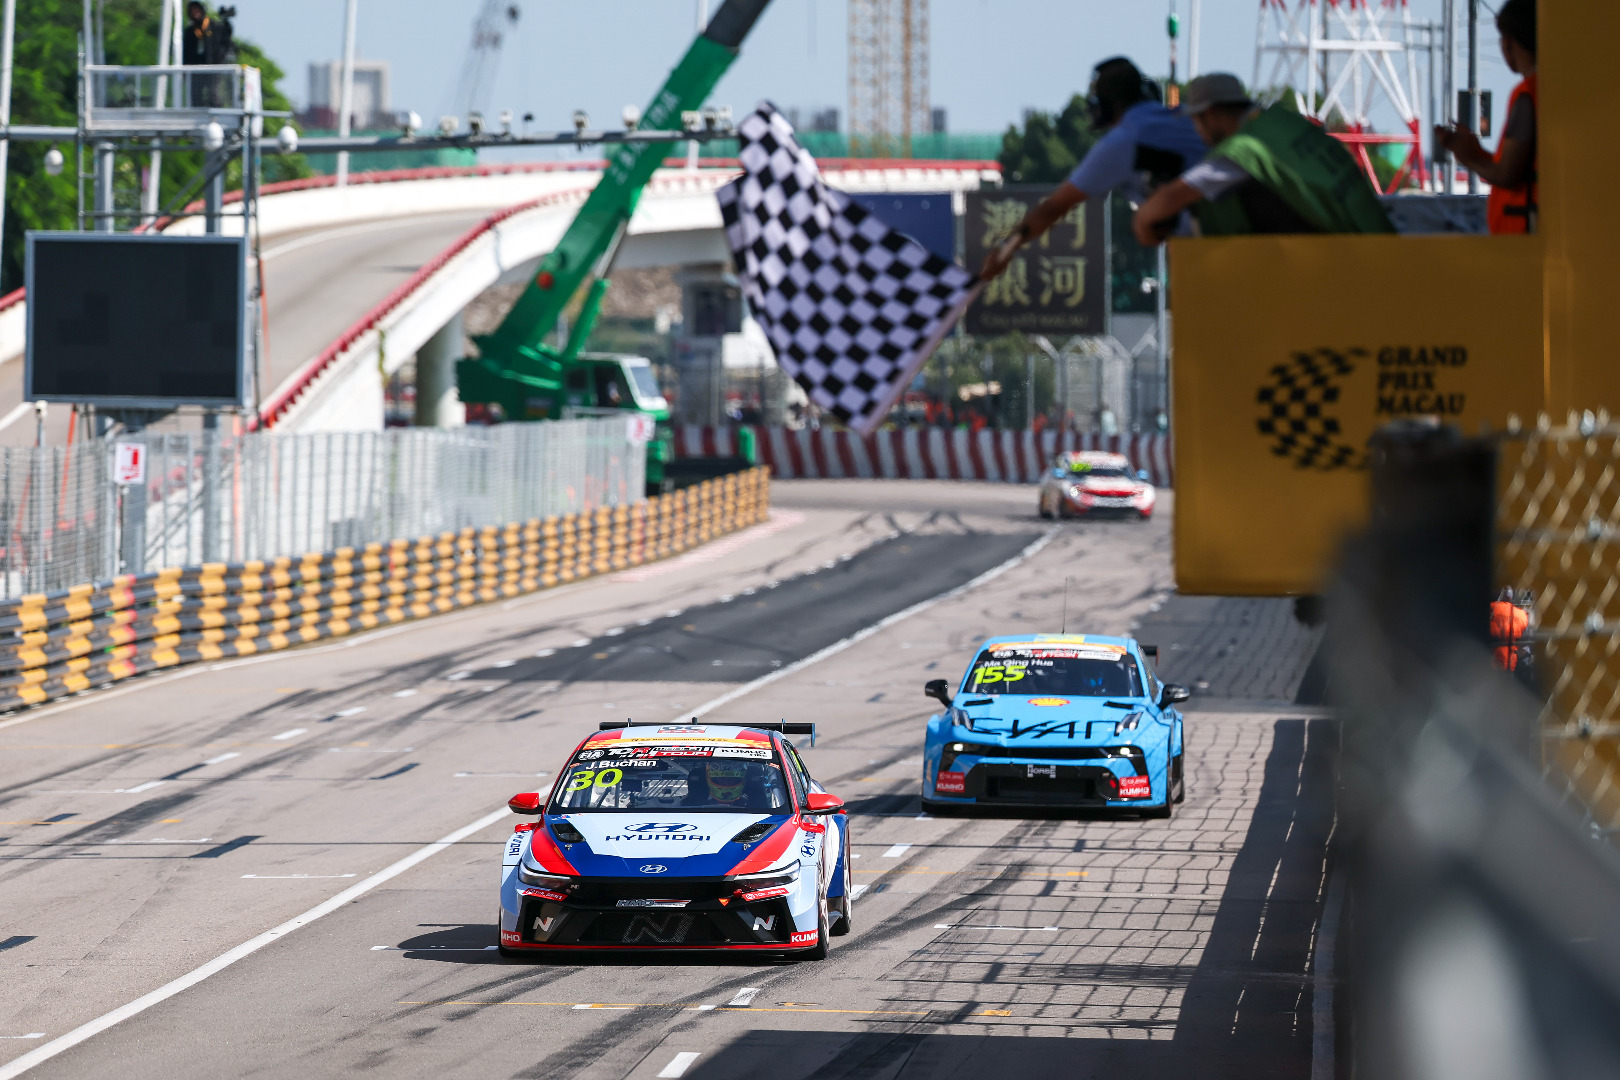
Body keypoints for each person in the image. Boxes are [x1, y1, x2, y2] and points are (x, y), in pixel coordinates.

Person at [980, 57, 1208, 280]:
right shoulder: (1189, 116)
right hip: (1234, 233)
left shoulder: (1123, 140)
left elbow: (1055, 206)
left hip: (1201, 250)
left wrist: (1005, 248)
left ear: (1107, 105)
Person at [1131, 73, 1395, 245]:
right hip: (1377, 239)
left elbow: (1172, 198)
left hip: (1349, 263)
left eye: (1196, 122)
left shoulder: (1246, 148)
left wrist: (1143, 220)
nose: (1197, 132)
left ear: (1211, 114)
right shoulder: (1282, 123)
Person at [1435, 0, 1537, 233]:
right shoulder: (1553, 91)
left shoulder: (1528, 96)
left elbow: (1507, 174)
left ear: (1509, 43)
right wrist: (1478, 152)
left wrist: (1467, 156)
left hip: (1523, 238)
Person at [1489, 587, 1530, 672]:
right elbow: (1525, 643)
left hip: (1488, 658)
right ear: (1510, 598)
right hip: (1510, 661)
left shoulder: (1491, 607)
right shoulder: (1522, 614)